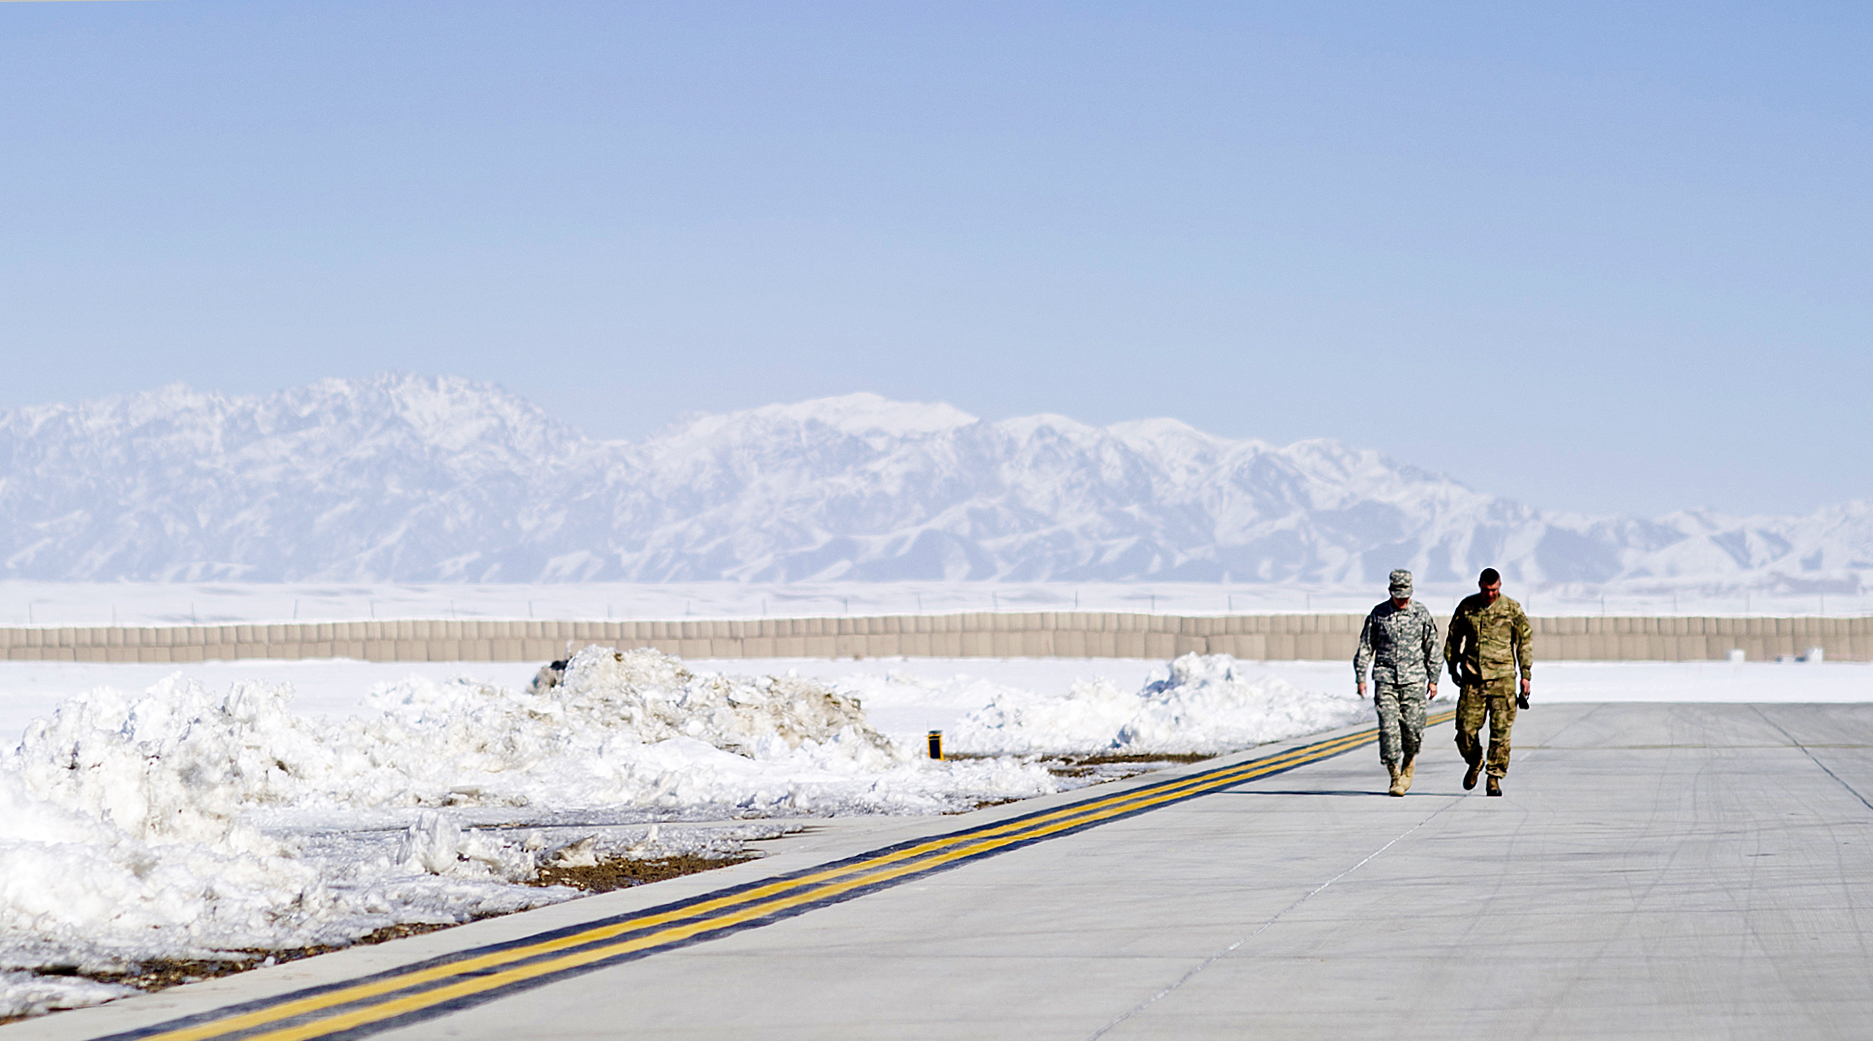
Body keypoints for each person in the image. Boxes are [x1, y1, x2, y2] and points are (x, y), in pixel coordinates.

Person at [1444, 567, 1533, 796]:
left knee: (1500, 732)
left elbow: (1524, 641)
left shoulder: (1511, 609)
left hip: (1502, 679)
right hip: (1473, 679)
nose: (1489, 594)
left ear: (1500, 586)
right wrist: (1452, 664)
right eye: (1485, 589)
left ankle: (1494, 777)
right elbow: (1454, 637)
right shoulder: (1468, 606)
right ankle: (1475, 760)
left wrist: (1525, 675)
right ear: (1479, 586)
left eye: (1493, 590)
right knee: (1464, 730)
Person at [1354, 569, 1441, 796]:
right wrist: (1360, 677)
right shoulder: (1379, 614)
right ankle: (1395, 776)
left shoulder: (1420, 613)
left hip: (1413, 680)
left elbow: (1433, 647)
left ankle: (1409, 762)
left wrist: (1434, 679)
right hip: (1386, 680)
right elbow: (1365, 647)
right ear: (1390, 592)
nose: (1403, 600)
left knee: (1413, 730)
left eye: (1406, 596)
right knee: (1388, 729)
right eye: (1398, 595)